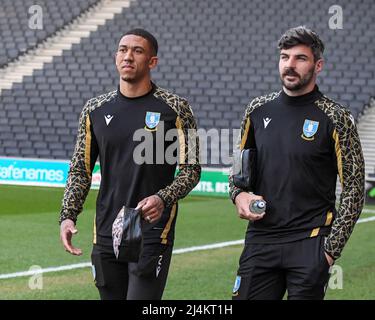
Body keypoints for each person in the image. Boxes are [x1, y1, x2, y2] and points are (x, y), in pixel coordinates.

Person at [59, 28, 201, 300]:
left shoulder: (176, 108)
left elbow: (191, 170)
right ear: (115, 57)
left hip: (151, 228)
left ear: (152, 62)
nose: (128, 56)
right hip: (106, 228)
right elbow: (80, 169)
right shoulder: (95, 109)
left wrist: (162, 198)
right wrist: (68, 215)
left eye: (137, 51)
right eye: (123, 50)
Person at [229, 26, 365, 300]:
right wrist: (239, 195)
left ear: (318, 65)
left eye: (300, 58)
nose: (290, 65)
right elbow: (238, 173)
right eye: (284, 57)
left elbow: (354, 188)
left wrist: (329, 251)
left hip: (310, 242)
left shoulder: (336, 117)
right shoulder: (257, 110)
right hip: (261, 240)